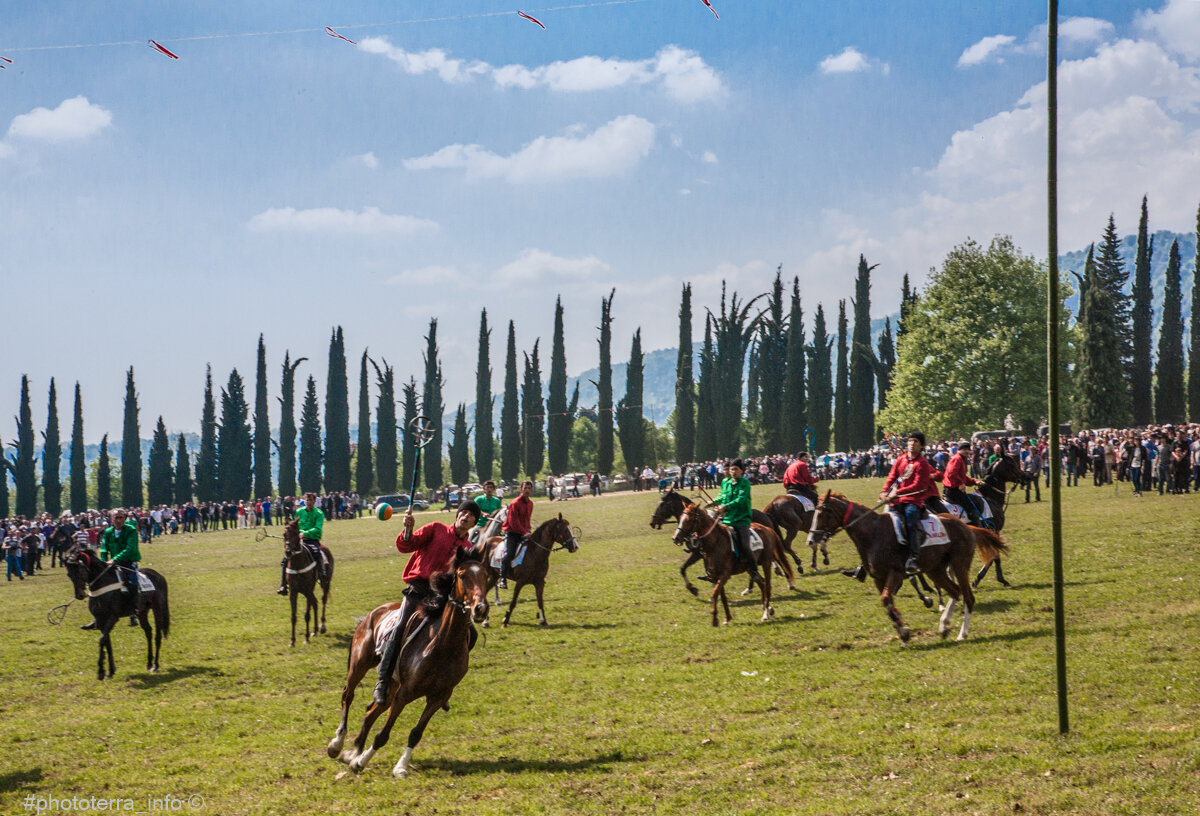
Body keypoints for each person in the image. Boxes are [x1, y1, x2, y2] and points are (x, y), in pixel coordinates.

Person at [372, 500, 482, 706]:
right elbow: (405, 545)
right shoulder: (436, 529)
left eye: (471, 515)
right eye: (464, 512)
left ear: (474, 522)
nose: (466, 516)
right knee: (400, 627)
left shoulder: (467, 548)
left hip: (443, 598)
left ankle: (442, 682)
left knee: (470, 635)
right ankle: (383, 679)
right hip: (419, 589)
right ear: (457, 515)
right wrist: (408, 529)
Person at [882, 431, 939, 576]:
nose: (912, 444)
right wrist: (884, 491)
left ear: (921, 446)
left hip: (913, 501)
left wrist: (897, 492)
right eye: (910, 441)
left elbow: (919, 486)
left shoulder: (923, 464)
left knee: (911, 523)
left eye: (916, 442)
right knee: (879, 526)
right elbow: (891, 477)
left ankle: (914, 558)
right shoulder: (900, 460)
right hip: (896, 501)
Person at [706, 459, 763, 587]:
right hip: (726, 519)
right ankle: (711, 570)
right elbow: (722, 496)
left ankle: (754, 572)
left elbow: (741, 499)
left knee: (744, 544)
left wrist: (725, 507)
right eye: (732, 469)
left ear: (742, 471)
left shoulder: (745, 483)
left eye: (736, 469)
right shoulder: (726, 482)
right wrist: (713, 502)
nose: (733, 471)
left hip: (741, 519)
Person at [84, 509, 142, 628]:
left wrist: (115, 559)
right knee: (98, 585)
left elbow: (130, 548)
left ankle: (133, 612)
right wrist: (103, 561)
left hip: (127, 563)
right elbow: (104, 548)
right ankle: (97, 617)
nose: (119, 520)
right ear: (111, 519)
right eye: (116, 518)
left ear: (124, 518)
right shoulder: (108, 531)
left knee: (132, 583)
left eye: (121, 517)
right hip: (111, 564)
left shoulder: (131, 530)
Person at [278, 491, 327, 595]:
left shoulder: (319, 513)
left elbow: (318, 528)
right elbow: (295, 526)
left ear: (314, 501)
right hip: (299, 540)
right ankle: (283, 585)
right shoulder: (299, 512)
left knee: (318, 554)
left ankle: (322, 575)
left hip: (312, 540)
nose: (308, 502)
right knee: (285, 559)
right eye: (307, 500)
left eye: (310, 500)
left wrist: (304, 533)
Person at [499, 480, 533, 589]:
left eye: (529, 488)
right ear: (521, 489)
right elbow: (514, 522)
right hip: (512, 533)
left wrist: (528, 530)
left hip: (524, 533)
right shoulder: (515, 503)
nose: (527, 490)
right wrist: (524, 532)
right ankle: (502, 578)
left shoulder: (531, 503)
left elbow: (527, 519)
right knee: (509, 554)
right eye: (525, 488)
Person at [942, 444, 982, 525]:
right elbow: (951, 473)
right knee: (973, 505)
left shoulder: (961, 459)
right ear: (959, 450)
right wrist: (960, 483)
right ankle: (977, 527)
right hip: (952, 491)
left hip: (955, 490)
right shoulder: (957, 459)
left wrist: (974, 482)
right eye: (964, 449)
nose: (967, 451)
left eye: (968, 449)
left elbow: (963, 477)